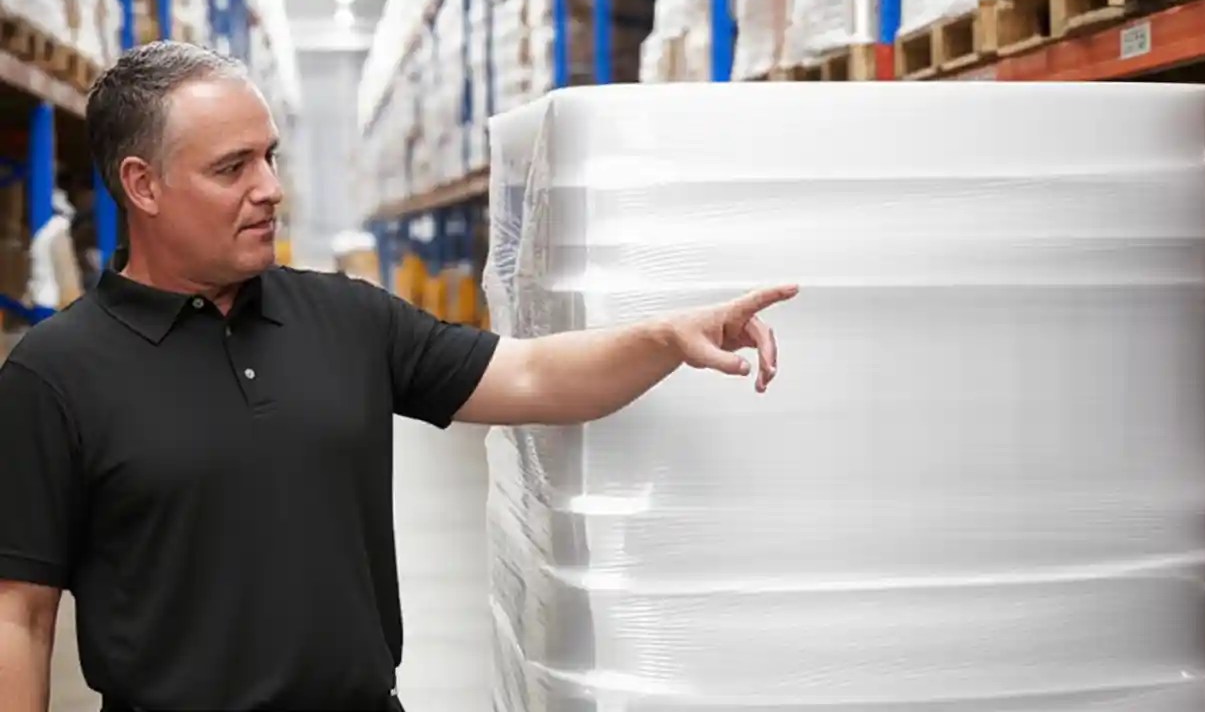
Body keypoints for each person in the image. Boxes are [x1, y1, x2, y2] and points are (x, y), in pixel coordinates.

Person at [0, 41, 797, 711]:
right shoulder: (56, 374)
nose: (270, 188)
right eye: (232, 167)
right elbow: (20, 618)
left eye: (270, 157)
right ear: (142, 184)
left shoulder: (346, 319)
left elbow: (530, 377)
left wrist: (668, 335)